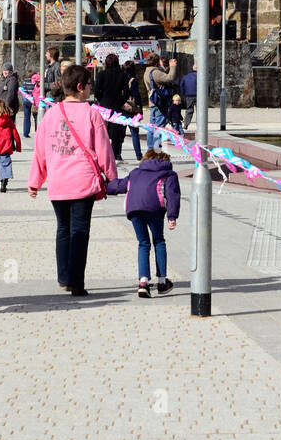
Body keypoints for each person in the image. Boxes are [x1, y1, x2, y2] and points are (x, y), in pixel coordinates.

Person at [28, 63, 117, 297]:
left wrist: (35, 180)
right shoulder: (91, 113)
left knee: (63, 229)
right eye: (89, 84)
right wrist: (112, 176)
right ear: (80, 87)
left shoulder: (51, 114)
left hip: (57, 182)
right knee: (80, 231)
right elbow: (104, 149)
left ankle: (64, 277)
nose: (91, 88)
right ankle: (77, 282)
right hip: (82, 182)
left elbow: (40, 150)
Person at [107, 148, 180, 297]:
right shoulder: (169, 174)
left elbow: (119, 186)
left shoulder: (135, 173)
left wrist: (104, 186)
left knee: (143, 243)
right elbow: (172, 195)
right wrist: (172, 217)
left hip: (134, 209)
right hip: (154, 209)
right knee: (158, 241)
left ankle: (143, 282)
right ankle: (161, 282)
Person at [94, 53, 129, 160]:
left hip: (104, 104)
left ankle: (101, 153)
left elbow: (96, 90)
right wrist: (121, 101)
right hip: (116, 104)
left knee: (102, 130)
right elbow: (127, 92)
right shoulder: (122, 75)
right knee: (115, 132)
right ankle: (114, 154)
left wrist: (101, 100)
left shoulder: (102, 74)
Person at [143, 53, 178, 150]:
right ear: (156, 61)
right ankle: (156, 150)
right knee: (159, 128)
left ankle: (151, 149)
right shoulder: (155, 72)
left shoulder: (148, 71)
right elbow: (169, 78)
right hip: (160, 103)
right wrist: (173, 67)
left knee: (152, 127)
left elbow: (160, 79)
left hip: (153, 103)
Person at [121, 60, 144, 161]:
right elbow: (136, 95)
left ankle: (118, 155)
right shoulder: (133, 80)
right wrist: (140, 109)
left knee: (121, 133)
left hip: (122, 107)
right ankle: (138, 155)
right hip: (132, 109)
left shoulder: (120, 78)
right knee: (134, 133)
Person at [179, 65, 197, 132]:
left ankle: (186, 124)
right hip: (199, 95)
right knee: (200, 111)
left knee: (189, 110)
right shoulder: (201, 76)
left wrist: (183, 94)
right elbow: (207, 86)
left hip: (188, 95)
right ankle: (201, 124)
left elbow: (181, 85)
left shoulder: (186, 77)